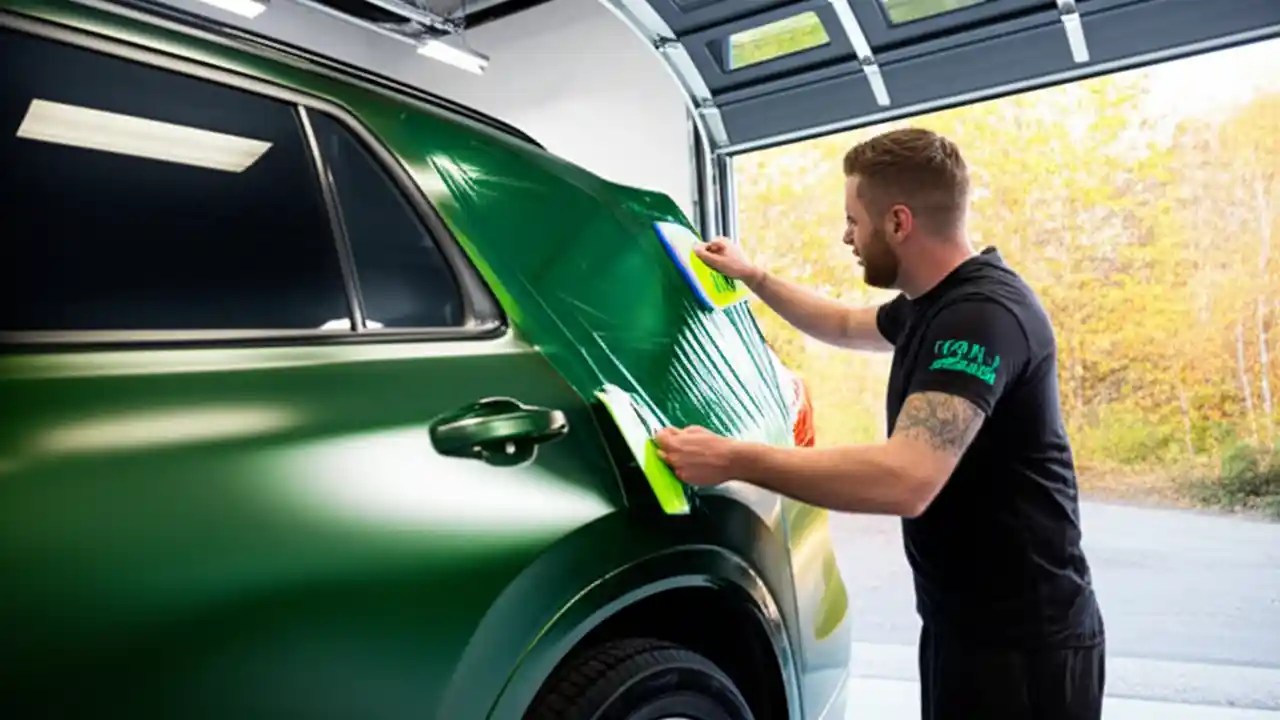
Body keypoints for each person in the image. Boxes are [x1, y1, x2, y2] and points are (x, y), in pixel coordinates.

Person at [653, 128, 1105, 720]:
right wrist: (755, 278)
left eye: (852, 220)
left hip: (1025, 647)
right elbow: (841, 325)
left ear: (898, 223)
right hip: (963, 630)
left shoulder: (982, 314)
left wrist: (736, 459)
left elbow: (905, 479)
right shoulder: (930, 303)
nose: (847, 237)